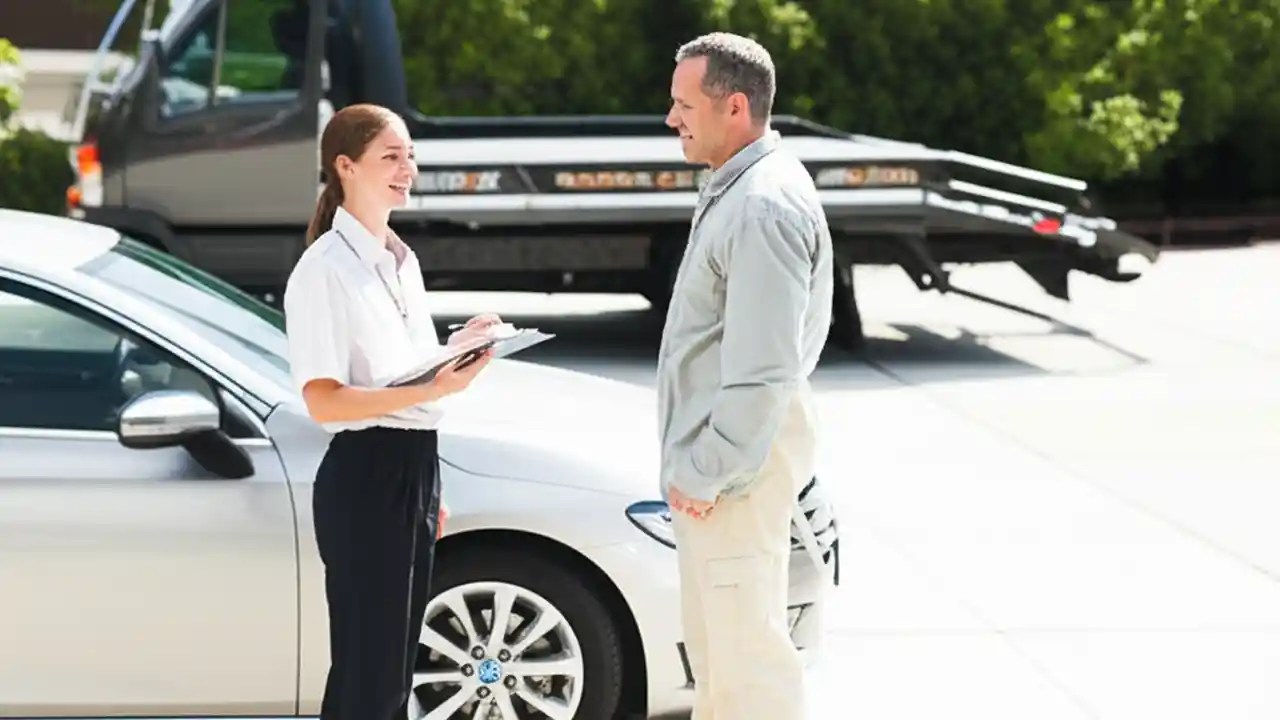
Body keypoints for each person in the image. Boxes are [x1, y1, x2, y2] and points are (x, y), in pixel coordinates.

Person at [283, 103, 500, 720]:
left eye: (411, 155)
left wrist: (460, 348)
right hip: (365, 475)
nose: (407, 168)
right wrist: (433, 391)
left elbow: (401, 370)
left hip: (412, 469)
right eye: (391, 156)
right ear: (345, 167)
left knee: (392, 673)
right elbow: (323, 399)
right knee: (368, 675)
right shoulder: (323, 270)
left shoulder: (401, 260)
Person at [657, 33, 833, 720]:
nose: (672, 118)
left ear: (734, 107)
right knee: (724, 667)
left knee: (745, 675)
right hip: (731, 463)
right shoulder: (739, 187)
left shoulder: (761, 205)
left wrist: (707, 469)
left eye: (683, 104)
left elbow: (764, 369)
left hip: (737, 467)